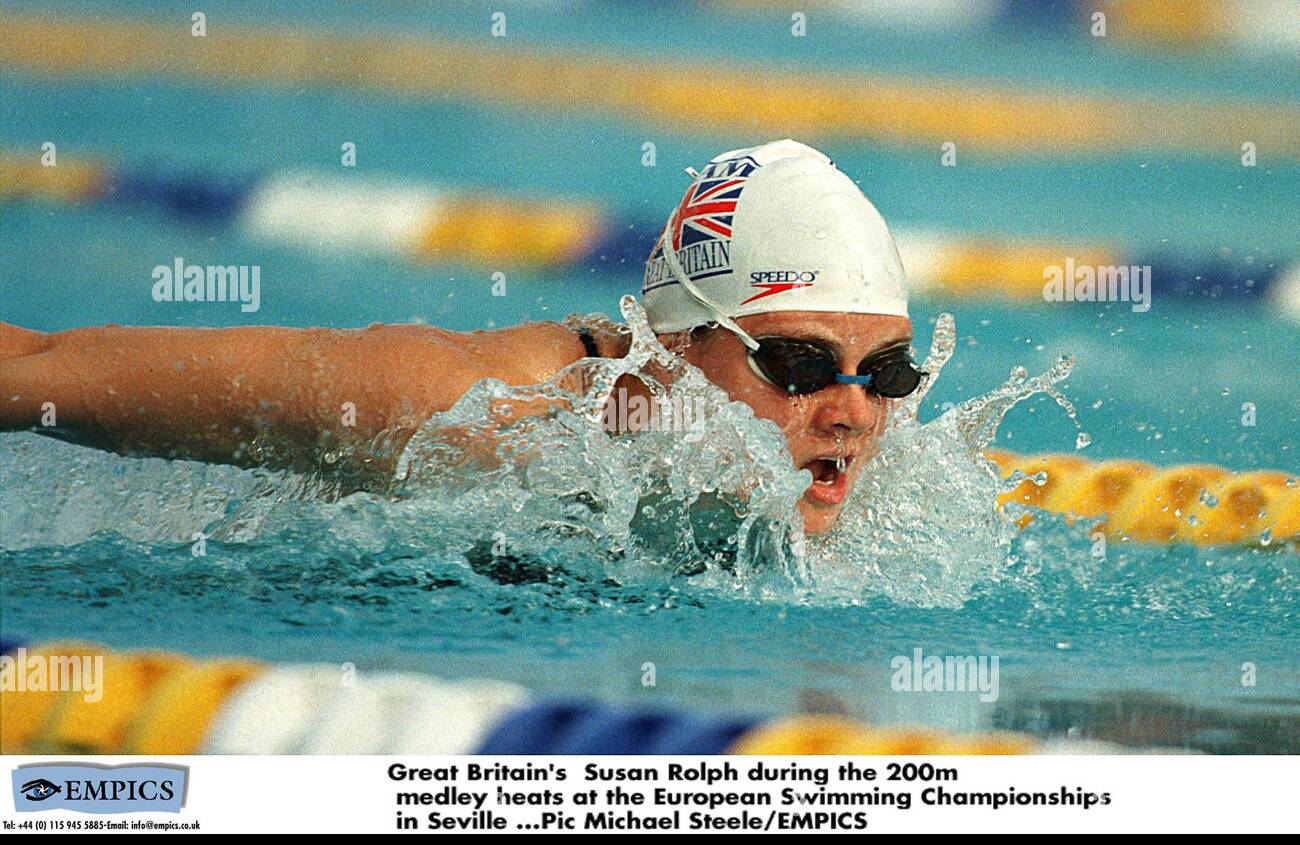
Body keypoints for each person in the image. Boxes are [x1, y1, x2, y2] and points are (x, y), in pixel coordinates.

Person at [0, 140, 922, 535]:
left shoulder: (886, 498)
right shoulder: (455, 409)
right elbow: (41, 371)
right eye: (800, 364)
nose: (851, 412)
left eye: (885, 373)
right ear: (673, 346)